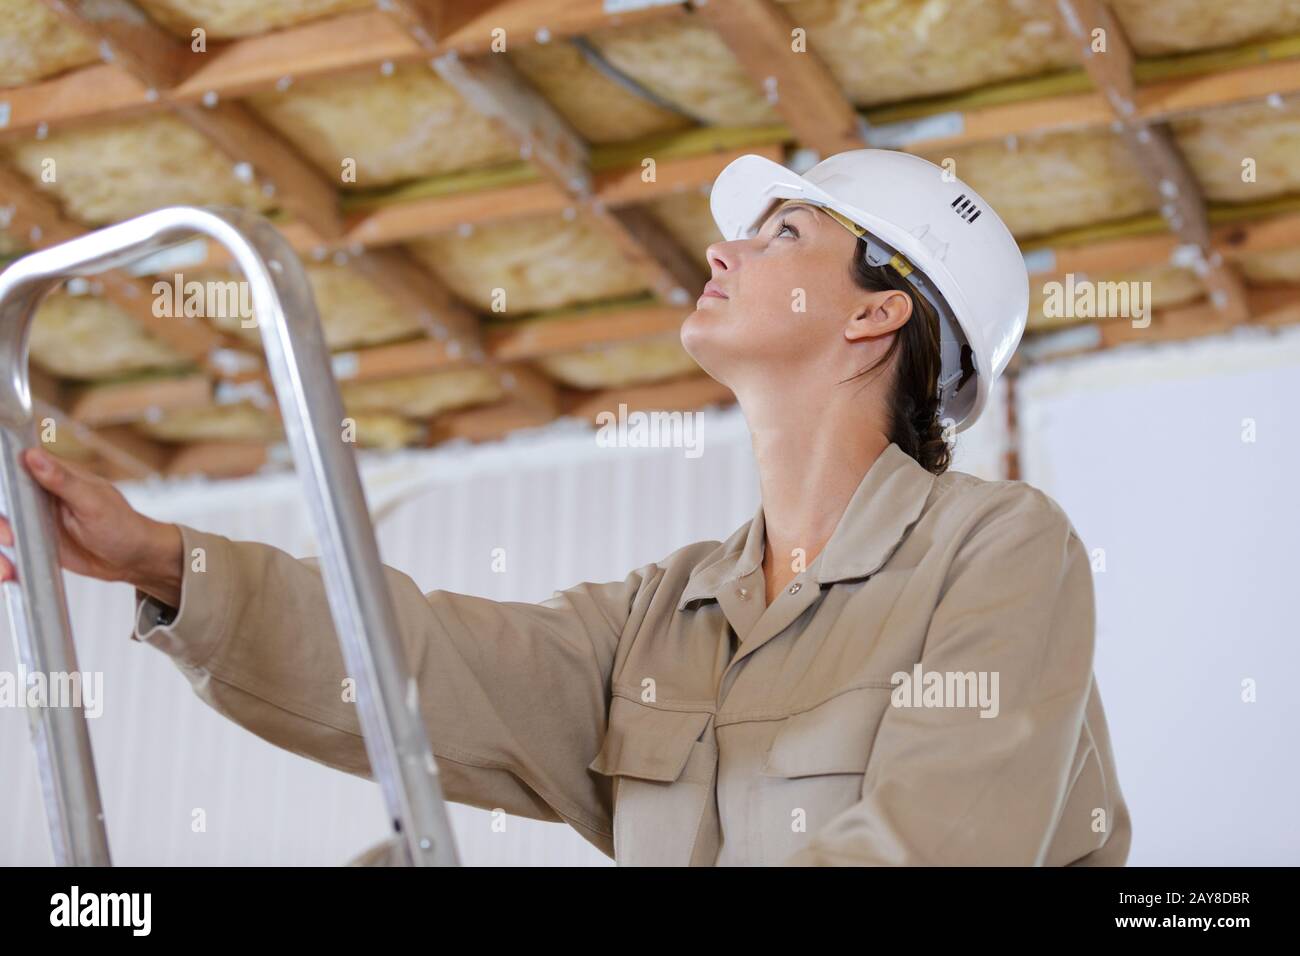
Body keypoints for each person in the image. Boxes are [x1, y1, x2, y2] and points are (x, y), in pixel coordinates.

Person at [0, 149, 1130, 866]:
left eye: (782, 234)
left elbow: (927, 850)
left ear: (876, 318)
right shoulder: (668, 613)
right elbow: (426, 667)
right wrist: (161, 558)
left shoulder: (1000, 552)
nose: (721, 250)